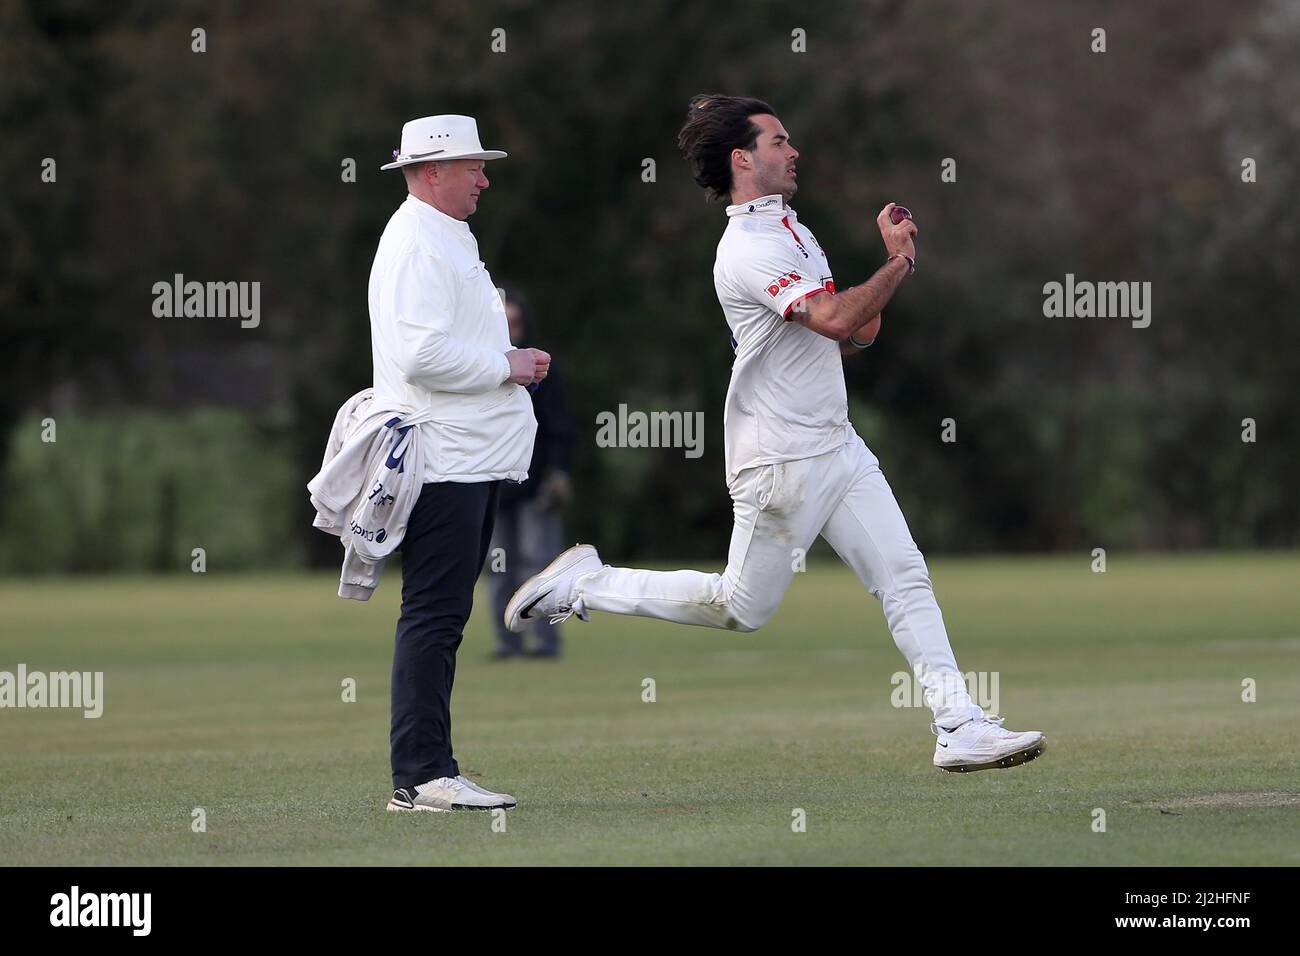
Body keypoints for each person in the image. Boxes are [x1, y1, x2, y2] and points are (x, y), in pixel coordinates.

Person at [505, 95, 1046, 773]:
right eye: (779, 142)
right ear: (743, 158)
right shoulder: (749, 247)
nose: (794, 152)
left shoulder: (789, 228)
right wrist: (897, 265)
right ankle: (587, 583)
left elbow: (849, 333)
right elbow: (834, 320)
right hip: (780, 459)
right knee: (740, 608)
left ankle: (957, 723)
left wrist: (887, 271)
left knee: (904, 574)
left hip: (836, 445)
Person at [370, 114, 551, 811]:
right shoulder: (418, 241)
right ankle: (422, 776)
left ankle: (429, 771)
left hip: (465, 458)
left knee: (441, 617)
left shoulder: (444, 236)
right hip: (441, 459)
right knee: (434, 615)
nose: (484, 176)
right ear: (430, 171)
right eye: (472, 165)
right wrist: (506, 364)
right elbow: (419, 354)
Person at [486, 285, 576, 659]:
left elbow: (561, 426)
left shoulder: (541, 368)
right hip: (493, 484)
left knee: (540, 564)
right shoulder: (483, 367)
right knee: (498, 567)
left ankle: (545, 641)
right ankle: (508, 641)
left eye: (517, 322)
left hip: (533, 484)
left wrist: (559, 472)